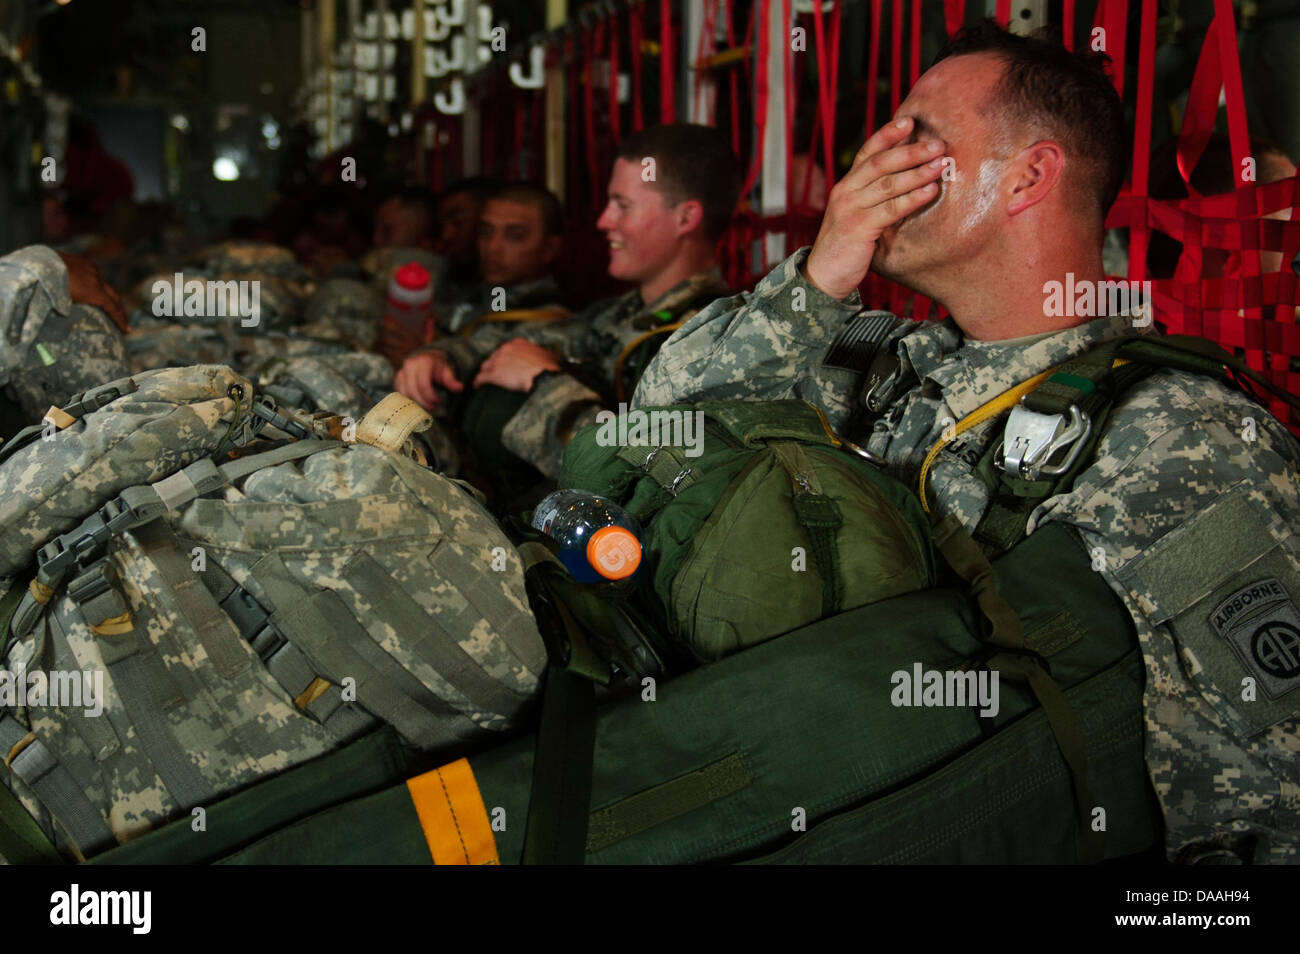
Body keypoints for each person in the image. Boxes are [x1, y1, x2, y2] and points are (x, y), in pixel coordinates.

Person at [633, 24, 1300, 863]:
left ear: (1029, 176)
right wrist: (819, 279)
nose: (874, 175)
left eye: (918, 144)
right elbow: (665, 415)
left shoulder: (1175, 439)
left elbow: (1270, 801)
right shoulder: (893, 359)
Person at [395, 124, 741, 482]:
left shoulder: (715, 341)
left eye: (622, 206)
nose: (604, 221)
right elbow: (525, 340)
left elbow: (650, 476)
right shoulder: (618, 314)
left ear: (685, 218)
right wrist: (442, 357)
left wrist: (544, 379)